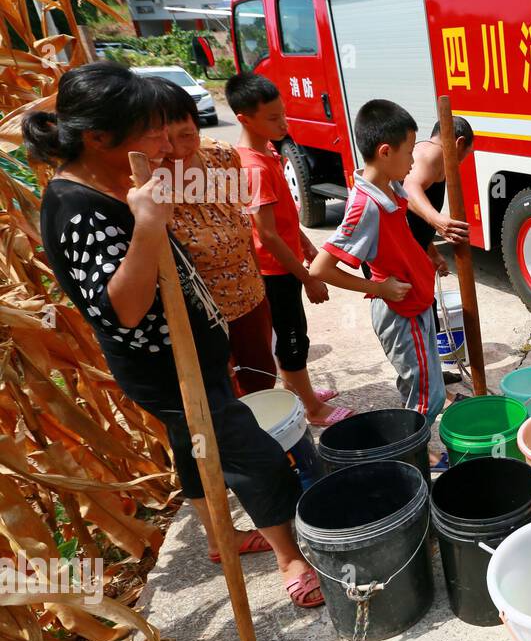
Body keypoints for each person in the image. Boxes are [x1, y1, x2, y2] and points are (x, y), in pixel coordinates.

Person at [24, 61, 322, 607]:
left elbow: (228, 197)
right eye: (152, 129)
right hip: (165, 368)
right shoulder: (76, 206)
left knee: (193, 447)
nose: (165, 141)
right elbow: (127, 309)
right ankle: (291, 558)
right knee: (251, 452)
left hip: (196, 350)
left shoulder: (122, 179)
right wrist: (147, 223)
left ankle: (220, 538)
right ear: (97, 137)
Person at [309, 100, 449, 468]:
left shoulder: (390, 185)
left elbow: (404, 231)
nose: (414, 163)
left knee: (422, 386)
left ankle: (414, 448)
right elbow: (321, 268)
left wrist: (429, 252)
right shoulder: (364, 205)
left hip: (415, 302)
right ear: (385, 152)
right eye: (409, 153)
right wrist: (380, 288)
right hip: (399, 309)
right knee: (427, 395)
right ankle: (411, 455)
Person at [225, 72, 350, 427]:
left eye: (283, 113)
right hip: (274, 272)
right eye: (272, 117)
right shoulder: (254, 168)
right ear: (244, 119)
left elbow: (284, 221)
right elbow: (267, 235)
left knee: (291, 334)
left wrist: (308, 246)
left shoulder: (266, 153)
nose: (283, 123)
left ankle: (301, 392)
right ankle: (312, 409)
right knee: (292, 338)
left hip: (284, 265)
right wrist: (307, 277)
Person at [148, 78, 281, 399]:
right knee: (220, 393)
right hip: (199, 314)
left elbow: (243, 218)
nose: (178, 150)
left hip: (249, 296)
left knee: (261, 378)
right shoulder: (146, 181)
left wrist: (258, 281)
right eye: (166, 141)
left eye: (187, 135)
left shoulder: (222, 157)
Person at [402, 116, 474, 386]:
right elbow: (409, 190)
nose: (461, 163)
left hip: (414, 250)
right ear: (459, 143)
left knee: (427, 313)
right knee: (415, 323)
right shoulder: (433, 154)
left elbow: (410, 218)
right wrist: (438, 221)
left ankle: (433, 377)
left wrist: (430, 251)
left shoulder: (434, 156)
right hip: (398, 257)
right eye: (465, 155)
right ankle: (427, 387)